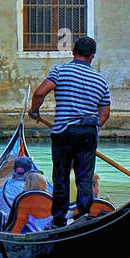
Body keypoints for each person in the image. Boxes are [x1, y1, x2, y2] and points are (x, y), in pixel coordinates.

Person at [28, 35, 111, 228]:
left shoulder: (60, 71)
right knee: (85, 178)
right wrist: (93, 127)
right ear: (92, 57)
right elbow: (105, 113)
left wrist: (34, 111)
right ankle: (83, 217)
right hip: (89, 132)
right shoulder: (101, 80)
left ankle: (58, 221)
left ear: (73, 53)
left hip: (64, 132)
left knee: (61, 177)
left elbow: (40, 93)